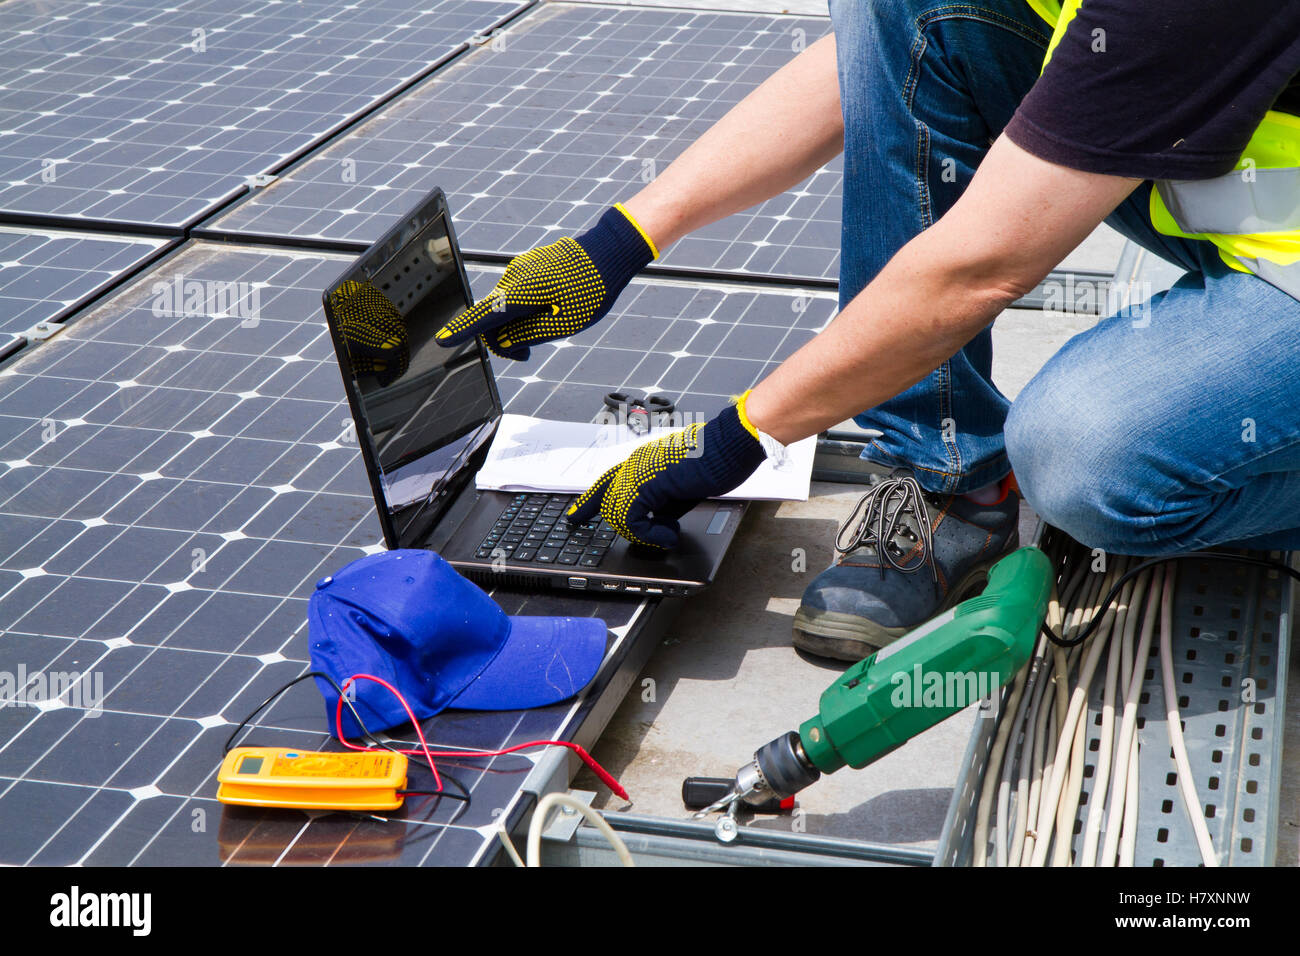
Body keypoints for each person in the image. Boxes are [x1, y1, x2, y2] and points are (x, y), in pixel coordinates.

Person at [437, 0, 1300, 661]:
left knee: (1085, 454)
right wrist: (619, 243)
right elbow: (891, 52)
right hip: (1241, 206)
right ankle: (947, 481)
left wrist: (736, 439)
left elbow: (981, 267)